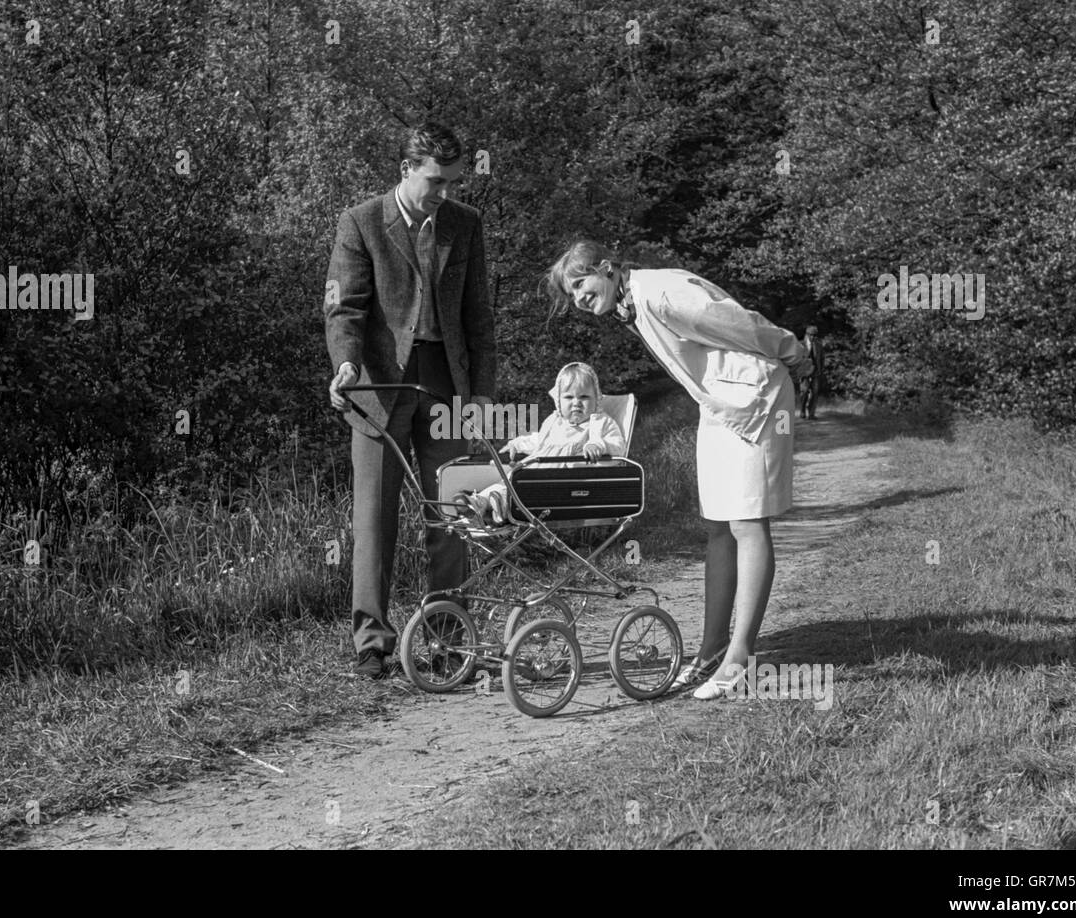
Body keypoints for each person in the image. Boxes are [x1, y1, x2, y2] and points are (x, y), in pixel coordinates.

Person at [544, 241, 811, 701]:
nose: (582, 303)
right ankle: (713, 649)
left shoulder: (660, 293)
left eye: (582, 287)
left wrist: (794, 351)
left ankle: (740, 658)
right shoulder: (633, 302)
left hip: (756, 398)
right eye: (574, 298)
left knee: (747, 522)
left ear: (606, 268)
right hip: (720, 406)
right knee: (717, 527)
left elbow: (740, 322)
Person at [325, 122, 496, 679]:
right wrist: (346, 365)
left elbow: (479, 320)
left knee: (452, 514)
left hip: (445, 381)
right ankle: (372, 643)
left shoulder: (465, 225)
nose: (443, 192)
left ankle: (450, 637)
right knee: (374, 518)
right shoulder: (362, 222)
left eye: (451, 181)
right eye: (434, 181)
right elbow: (345, 310)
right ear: (405, 170)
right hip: (378, 386)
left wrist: (482, 399)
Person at [452, 362, 626, 526]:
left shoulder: (600, 423)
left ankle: (497, 507)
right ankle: (479, 503)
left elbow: (618, 446)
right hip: (535, 475)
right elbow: (539, 441)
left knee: (516, 490)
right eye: (568, 397)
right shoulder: (554, 422)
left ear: (597, 399)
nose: (576, 402)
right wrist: (518, 444)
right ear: (558, 401)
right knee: (509, 480)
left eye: (584, 397)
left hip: (566, 486)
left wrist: (599, 445)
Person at [799, 325, 825, 419]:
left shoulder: (819, 345)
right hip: (805, 372)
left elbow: (822, 358)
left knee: (815, 392)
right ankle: (802, 410)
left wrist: (821, 370)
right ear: (807, 334)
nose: (813, 337)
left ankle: (811, 413)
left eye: (814, 335)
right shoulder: (801, 345)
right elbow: (797, 359)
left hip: (816, 372)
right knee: (804, 391)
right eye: (811, 335)